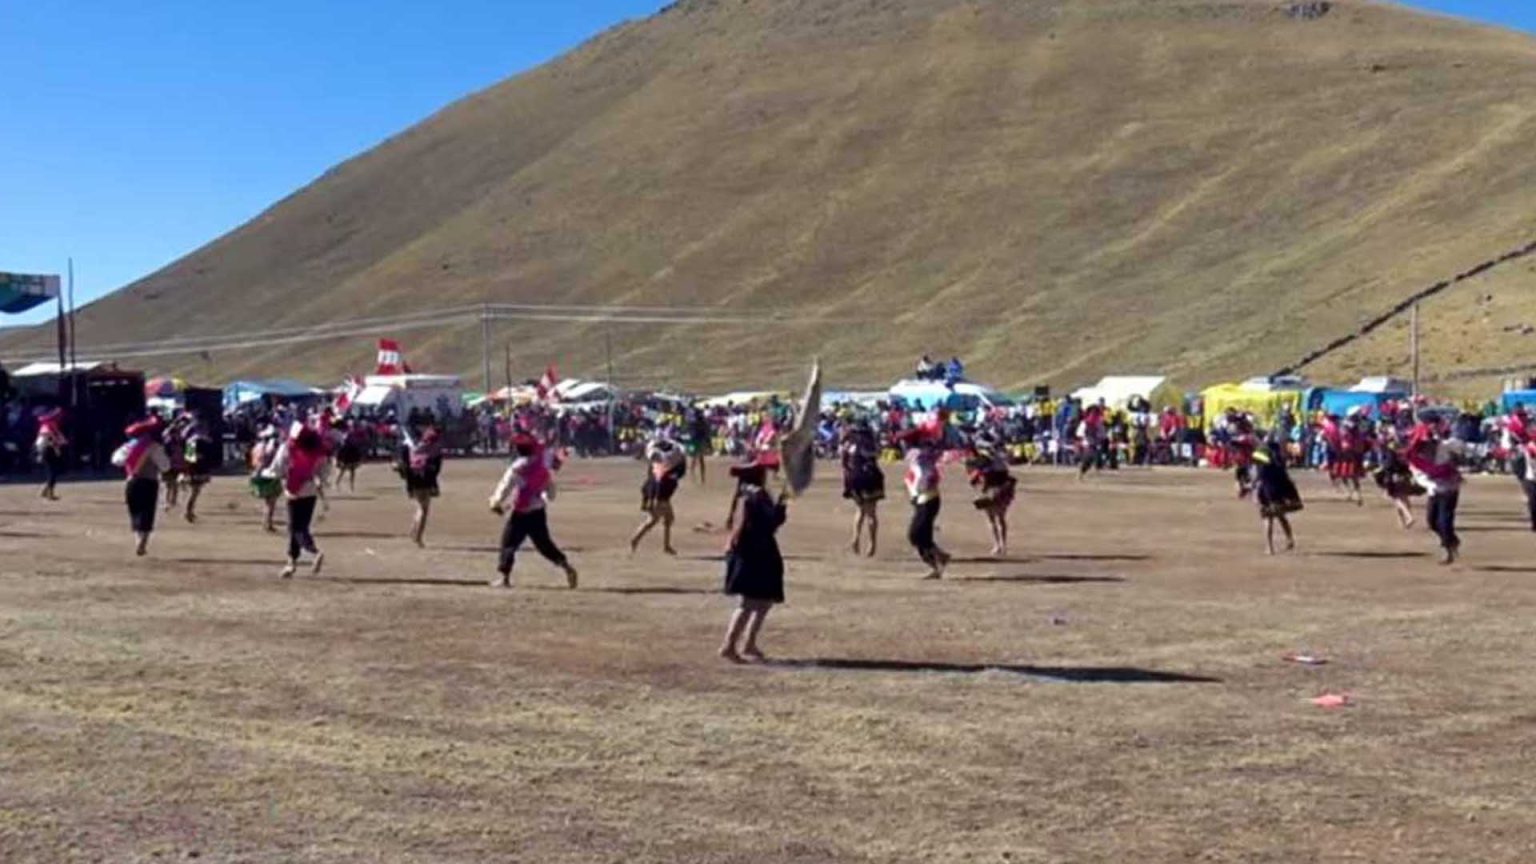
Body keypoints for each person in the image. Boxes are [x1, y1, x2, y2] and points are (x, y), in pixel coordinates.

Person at [719, 458, 788, 663]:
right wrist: (782, 505)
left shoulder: (743, 493)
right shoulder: (756, 495)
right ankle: (729, 645)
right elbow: (771, 522)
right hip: (755, 552)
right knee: (749, 602)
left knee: (764, 601)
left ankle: (748, 642)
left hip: (755, 551)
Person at [489, 434, 579, 589]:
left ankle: (505, 578)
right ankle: (565, 566)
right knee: (544, 544)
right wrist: (546, 497)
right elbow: (550, 489)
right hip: (537, 511)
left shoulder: (517, 467)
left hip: (520, 512)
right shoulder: (540, 468)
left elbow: (505, 486)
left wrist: (496, 502)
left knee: (508, 544)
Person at [271, 425, 330, 578]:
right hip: (310, 491)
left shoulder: (288, 448)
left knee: (295, 528)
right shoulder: (318, 451)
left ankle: (313, 552)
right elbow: (323, 473)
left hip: (293, 490)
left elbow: (277, 468)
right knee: (301, 526)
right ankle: (291, 563)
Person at [1406, 422, 1465, 566]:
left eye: (1430, 442)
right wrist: (1432, 482)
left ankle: (1447, 549)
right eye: (1424, 444)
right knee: (1432, 522)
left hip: (1449, 489)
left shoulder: (1443, 448)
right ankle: (1452, 540)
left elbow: (1460, 448)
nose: (1428, 446)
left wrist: (1454, 460)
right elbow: (1419, 477)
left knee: (1444, 521)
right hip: (1435, 490)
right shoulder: (1416, 460)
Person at [111, 416, 171, 557]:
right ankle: (143, 540)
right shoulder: (155, 447)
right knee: (147, 511)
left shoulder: (129, 446)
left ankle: (138, 538)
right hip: (149, 481)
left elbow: (116, 460)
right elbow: (165, 466)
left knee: (135, 511)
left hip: (132, 481)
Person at [902, 429, 950, 579]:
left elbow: (926, 473)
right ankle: (938, 563)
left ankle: (939, 558)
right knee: (922, 535)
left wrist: (922, 486)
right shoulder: (921, 454)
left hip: (927, 498)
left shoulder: (918, 455)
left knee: (916, 535)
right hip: (925, 498)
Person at [631, 436, 685, 555]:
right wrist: (651, 500)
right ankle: (635, 539)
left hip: (660, 495)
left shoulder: (660, 465)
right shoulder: (665, 466)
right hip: (659, 496)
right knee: (654, 520)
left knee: (667, 519)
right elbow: (656, 483)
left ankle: (666, 546)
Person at [967, 434, 1017, 557]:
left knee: (996, 518)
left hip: (999, 488)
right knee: (995, 518)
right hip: (994, 488)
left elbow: (978, 477)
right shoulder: (990, 458)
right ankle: (999, 545)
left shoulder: (990, 459)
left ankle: (1001, 545)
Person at [840, 422, 885, 557]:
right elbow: (877, 456)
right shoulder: (871, 444)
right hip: (871, 478)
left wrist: (847, 482)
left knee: (860, 510)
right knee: (871, 513)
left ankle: (856, 538)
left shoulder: (849, 445)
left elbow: (844, 465)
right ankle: (872, 544)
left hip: (855, 478)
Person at [1252, 440, 1302, 555]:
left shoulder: (1261, 463)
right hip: (1276, 493)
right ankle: (1289, 539)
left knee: (1268, 519)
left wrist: (1252, 489)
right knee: (1280, 516)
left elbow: (1256, 478)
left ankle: (1269, 547)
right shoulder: (1278, 464)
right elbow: (1285, 479)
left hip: (1265, 492)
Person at [398, 427, 443, 547]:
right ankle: (418, 536)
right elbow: (437, 469)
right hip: (426, 480)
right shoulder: (435, 451)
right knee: (424, 509)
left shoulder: (413, 448)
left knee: (420, 506)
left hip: (413, 480)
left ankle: (414, 531)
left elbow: (404, 465)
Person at [1372, 429, 1422, 529]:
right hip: (1406, 476)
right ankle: (1402, 522)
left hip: (1394, 477)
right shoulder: (1406, 449)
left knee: (1397, 499)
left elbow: (1389, 465)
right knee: (1404, 498)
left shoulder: (1391, 450)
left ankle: (1409, 516)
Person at [180, 416, 217, 523]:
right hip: (197, 469)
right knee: (194, 492)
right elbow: (190, 457)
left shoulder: (191, 440)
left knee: (194, 492)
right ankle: (188, 512)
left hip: (195, 468)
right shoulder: (203, 440)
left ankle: (189, 511)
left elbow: (189, 456)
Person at [247, 425, 283, 533]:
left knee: (269, 501)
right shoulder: (270, 448)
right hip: (268, 475)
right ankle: (268, 523)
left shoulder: (257, 447)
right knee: (271, 501)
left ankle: (267, 522)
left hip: (257, 474)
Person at [34, 408, 66, 501]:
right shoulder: (47, 426)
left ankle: (46, 491)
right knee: (52, 472)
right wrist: (57, 442)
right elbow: (46, 440)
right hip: (47, 450)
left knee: (54, 472)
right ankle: (49, 494)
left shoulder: (51, 426)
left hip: (51, 450)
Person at [334, 420, 365, 492]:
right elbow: (343, 443)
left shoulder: (353, 433)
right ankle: (337, 483)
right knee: (344, 469)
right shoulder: (346, 433)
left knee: (352, 470)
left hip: (352, 452)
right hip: (347, 452)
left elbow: (356, 442)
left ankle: (351, 485)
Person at [687, 407, 712, 485]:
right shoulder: (702, 422)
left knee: (694, 459)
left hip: (695, 441)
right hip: (698, 441)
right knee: (699, 460)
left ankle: (695, 476)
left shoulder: (693, 422)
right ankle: (699, 477)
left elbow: (690, 432)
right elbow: (707, 433)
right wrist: (709, 444)